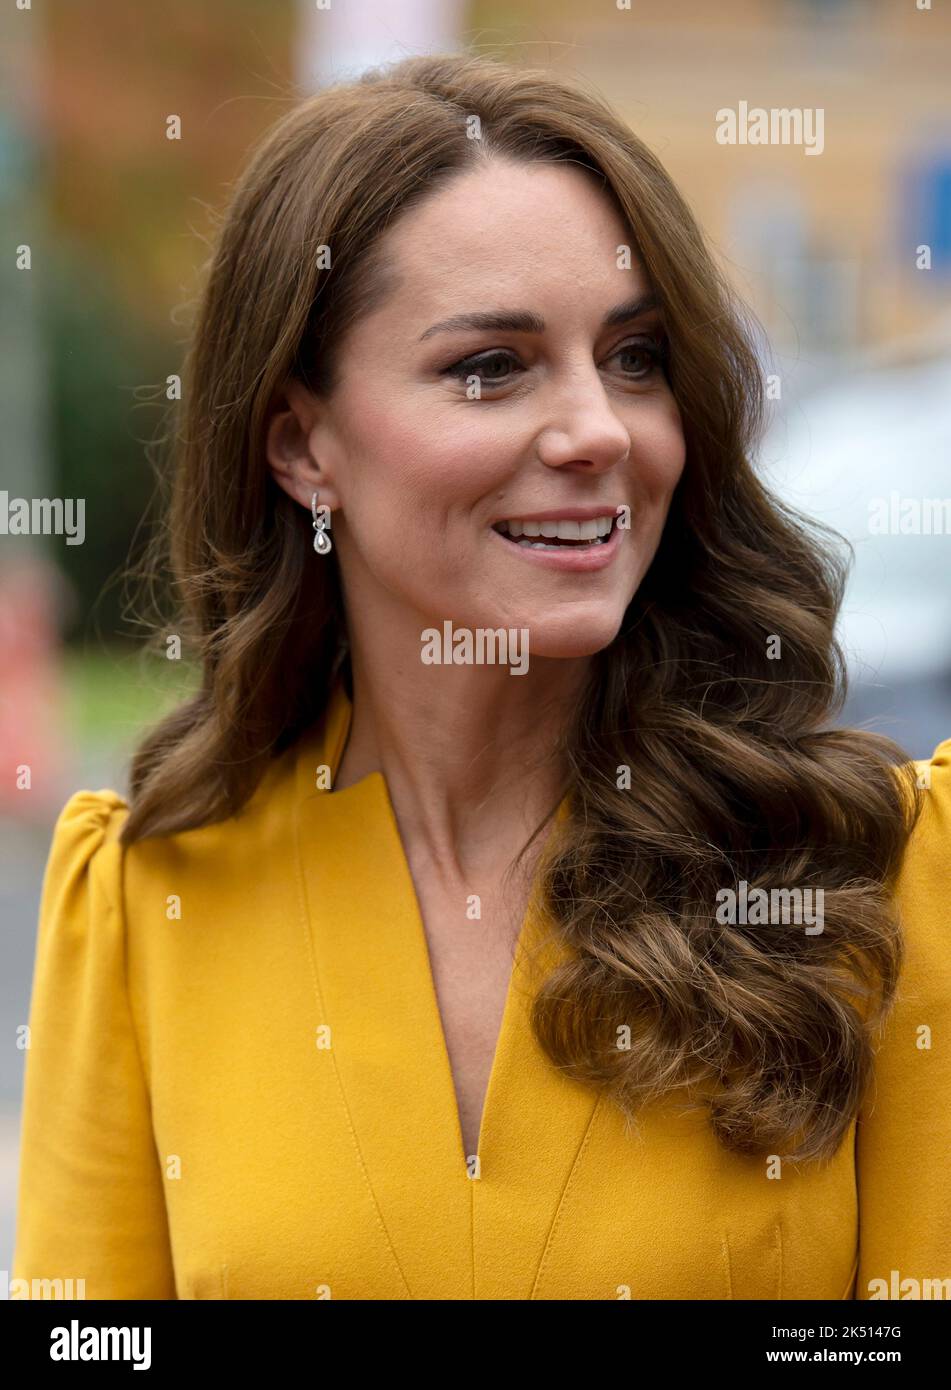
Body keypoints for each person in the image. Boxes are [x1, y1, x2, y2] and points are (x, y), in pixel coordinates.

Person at [12, 52, 950, 1301]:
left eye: (635, 358)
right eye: (490, 367)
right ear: (303, 444)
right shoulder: (145, 898)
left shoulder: (878, 871)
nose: (599, 429)